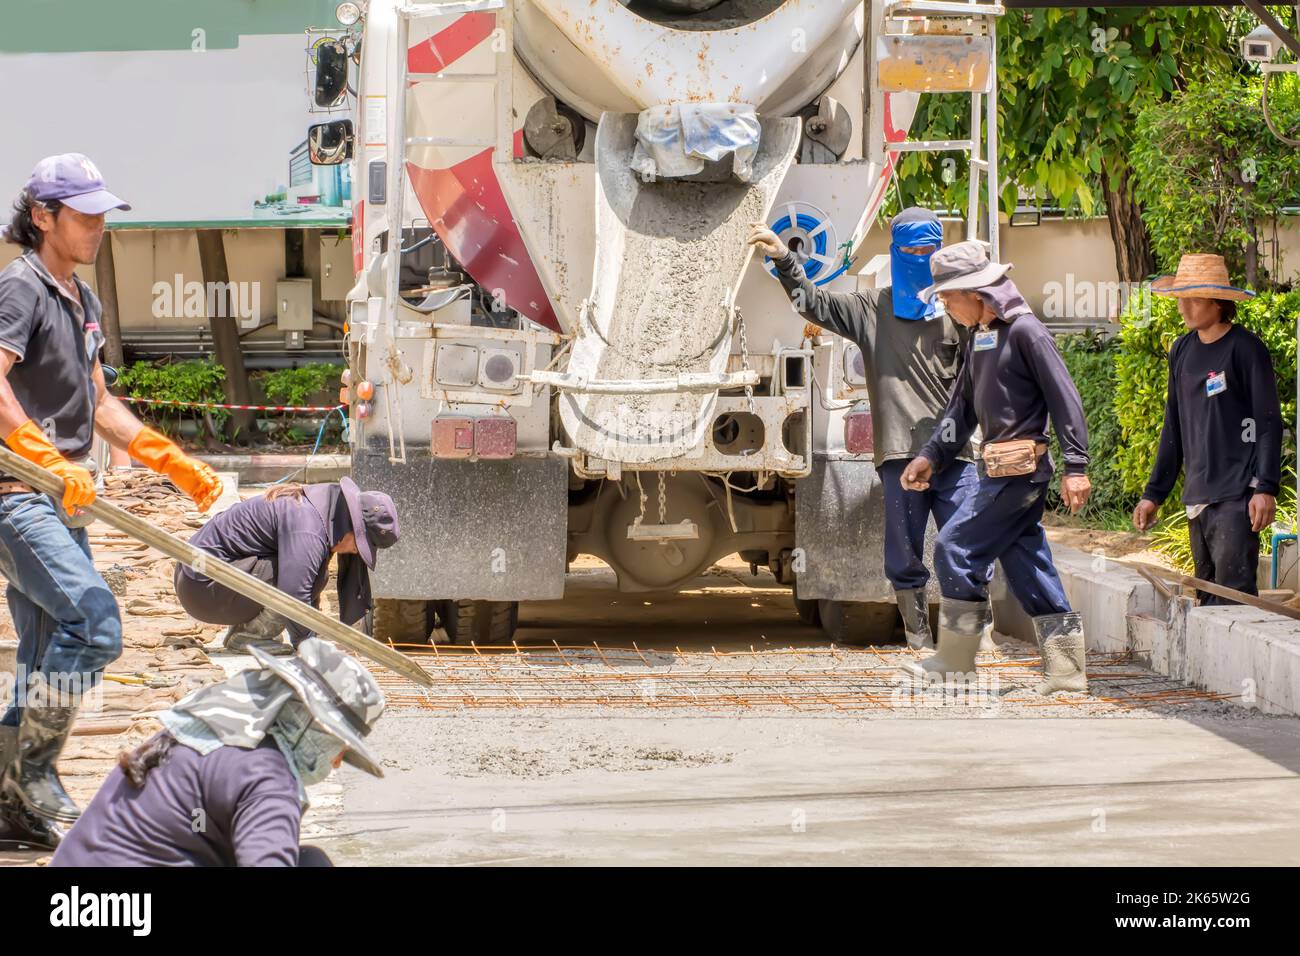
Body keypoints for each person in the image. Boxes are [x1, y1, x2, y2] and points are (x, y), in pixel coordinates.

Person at [0, 154, 222, 850]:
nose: (98, 225)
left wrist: (171, 461)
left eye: (102, 214)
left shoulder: (83, 300)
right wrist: (39, 456)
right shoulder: (21, 288)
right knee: (94, 625)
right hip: (18, 493)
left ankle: (11, 799)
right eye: (84, 214)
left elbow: (98, 403)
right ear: (44, 217)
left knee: (42, 657)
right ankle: (31, 772)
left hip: (65, 497)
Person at [747, 209, 979, 649]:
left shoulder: (957, 312)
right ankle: (918, 638)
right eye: (910, 251)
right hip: (899, 453)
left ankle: (965, 638)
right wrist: (783, 258)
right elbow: (812, 303)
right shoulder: (872, 309)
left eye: (928, 250)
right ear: (894, 252)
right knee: (904, 552)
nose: (920, 258)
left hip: (954, 453)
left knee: (964, 544)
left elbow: (982, 377)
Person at [899, 240, 1092, 694]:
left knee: (955, 547)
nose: (944, 303)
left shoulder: (1026, 332)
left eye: (948, 295)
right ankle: (1067, 673)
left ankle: (955, 661)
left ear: (977, 293)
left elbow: (1066, 400)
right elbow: (960, 409)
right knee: (1028, 563)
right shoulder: (979, 337)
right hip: (998, 472)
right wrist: (931, 455)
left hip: (1021, 474)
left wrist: (1076, 466)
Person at [49, 637, 384, 866]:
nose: (337, 763)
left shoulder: (207, 730)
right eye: (339, 748)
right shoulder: (267, 778)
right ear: (311, 725)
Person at [1132, 254, 1281, 604]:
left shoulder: (1246, 349)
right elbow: (1175, 424)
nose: (1183, 307)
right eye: (1181, 297)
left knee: (1234, 598)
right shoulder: (1181, 350)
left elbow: (1269, 422)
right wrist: (1154, 493)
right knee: (1207, 594)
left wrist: (1266, 487)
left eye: (1194, 298)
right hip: (1197, 496)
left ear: (1219, 303)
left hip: (1237, 493)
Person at [174, 477, 400, 655]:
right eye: (359, 545)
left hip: (197, 579)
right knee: (301, 575)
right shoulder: (308, 527)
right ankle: (252, 637)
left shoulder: (318, 506)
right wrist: (308, 646)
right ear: (352, 527)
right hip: (203, 586)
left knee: (308, 570)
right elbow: (295, 593)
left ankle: (247, 631)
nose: (355, 552)